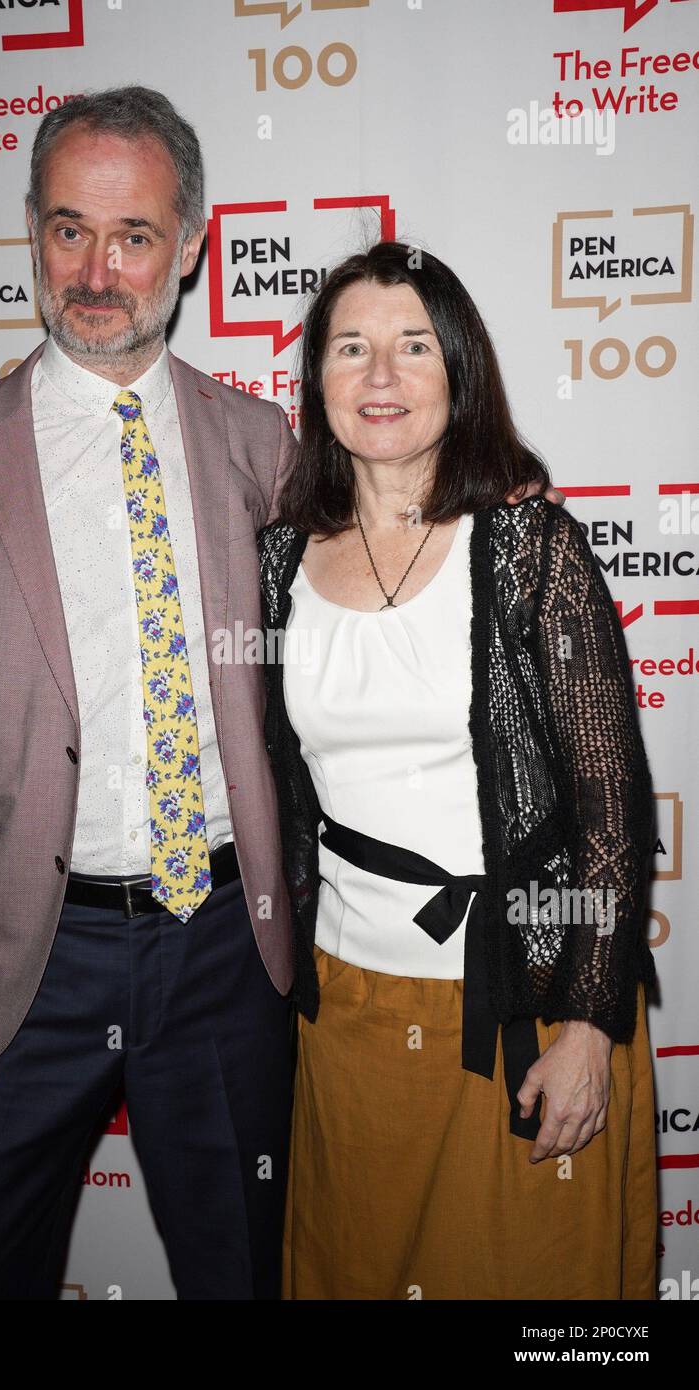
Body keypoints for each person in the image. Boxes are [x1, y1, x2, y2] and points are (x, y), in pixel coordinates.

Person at [0, 86, 302, 1301]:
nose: (97, 271)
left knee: (244, 1280)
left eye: (133, 235)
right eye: (66, 230)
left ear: (192, 243)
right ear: (33, 232)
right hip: (12, 976)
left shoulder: (266, 450)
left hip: (221, 954)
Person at [257, 241, 658, 1300]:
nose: (378, 376)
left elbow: (610, 811)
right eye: (350, 347)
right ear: (316, 381)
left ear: (459, 373)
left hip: (519, 1003)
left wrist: (588, 1024)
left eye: (410, 347)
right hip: (344, 1009)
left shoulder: (529, 545)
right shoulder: (276, 560)